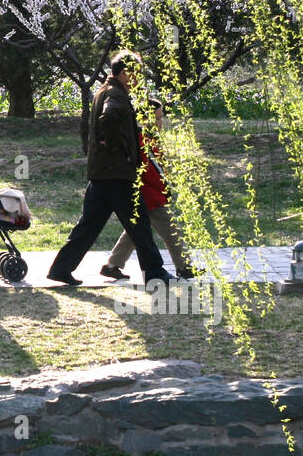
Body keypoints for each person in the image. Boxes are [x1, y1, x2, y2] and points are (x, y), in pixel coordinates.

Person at [47, 51, 173, 287]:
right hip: (117, 174)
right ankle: (155, 272)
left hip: (103, 174)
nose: (139, 78)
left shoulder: (105, 90)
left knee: (88, 226)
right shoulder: (115, 94)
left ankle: (60, 269)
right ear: (125, 73)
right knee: (139, 224)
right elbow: (109, 118)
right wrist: (120, 148)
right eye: (136, 73)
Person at [101, 99, 197, 280]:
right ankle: (184, 267)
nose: (161, 122)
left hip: (148, 194)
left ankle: (112, 265)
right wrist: (165, 187)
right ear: (144, 119)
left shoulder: (148, 138)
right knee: (171, 231)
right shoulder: (142, 140)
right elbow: (148, 170)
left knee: (134, 232)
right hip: (151, 195)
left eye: (161, 118)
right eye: (157, 118)